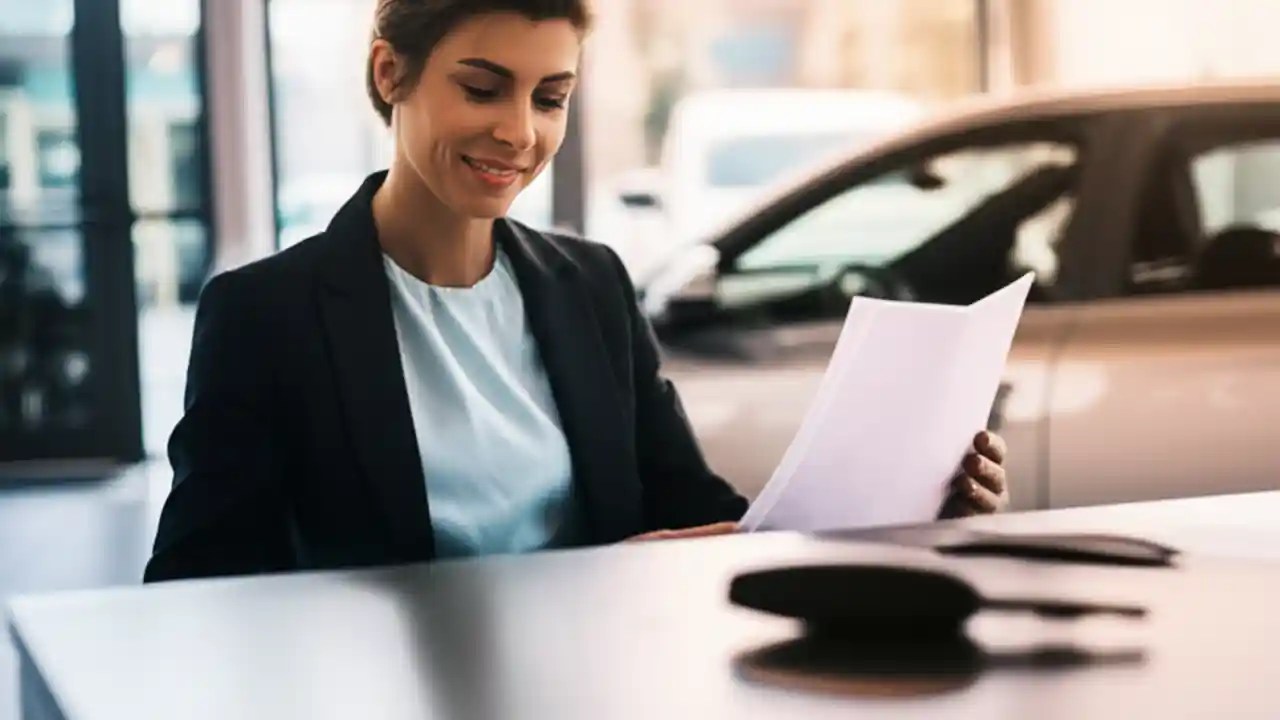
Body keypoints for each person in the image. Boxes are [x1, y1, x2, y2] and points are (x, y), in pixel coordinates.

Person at [144, 0, 1008, 583]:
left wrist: (917, 505)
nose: (519, 132)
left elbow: (696, 515)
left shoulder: (589, 286)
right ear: (388, 74)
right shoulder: (266, 315)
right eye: (481, 88)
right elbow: (197, 588)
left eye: (549, 98)